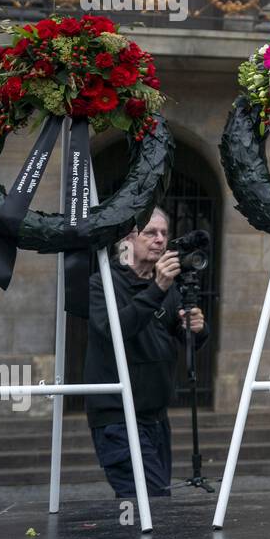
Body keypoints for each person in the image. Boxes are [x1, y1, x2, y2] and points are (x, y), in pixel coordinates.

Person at [85, 207, 209, 498]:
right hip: (117, 417)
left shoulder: (168, 285)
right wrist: (157, 288)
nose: (160, 240)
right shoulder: (102, 282)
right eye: (151, 232)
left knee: (152, 501)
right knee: (149, 498)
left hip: (156, 418)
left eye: (164, 233)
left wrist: (198, 328)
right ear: (127, 241)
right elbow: (115, 331)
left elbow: (187, 338)